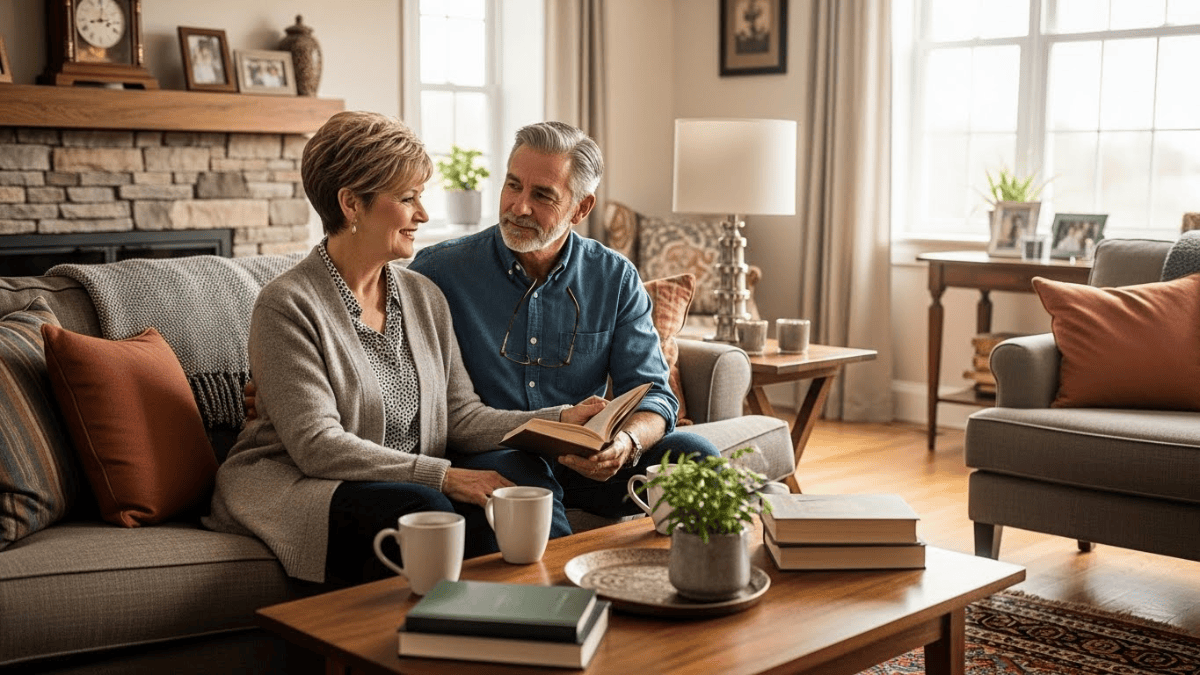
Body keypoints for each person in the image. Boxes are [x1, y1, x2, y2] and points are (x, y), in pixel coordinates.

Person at [204, 112, 603, 586]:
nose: (423, 214)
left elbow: (461, 416)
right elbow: (316, 447)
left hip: (400, 482)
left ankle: (542, 622)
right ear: (351, 204)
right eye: (408, 198)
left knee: (496, 505)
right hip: (302, 486)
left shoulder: (423, 297)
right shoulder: (287, 305)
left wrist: (560, 419)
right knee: (429, 511)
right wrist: (446, 477)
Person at [406, 121, 722, 523]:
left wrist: (626, 442)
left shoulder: (614, 278)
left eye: (542, 195)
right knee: (524, 479)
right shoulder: (439, 272)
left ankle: (696, 577)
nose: (519, 206)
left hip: (591, 462)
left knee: (697, 456)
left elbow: (655, 396)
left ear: (581, 208)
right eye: (513, 185)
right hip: (494, 455)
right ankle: (563, 587)